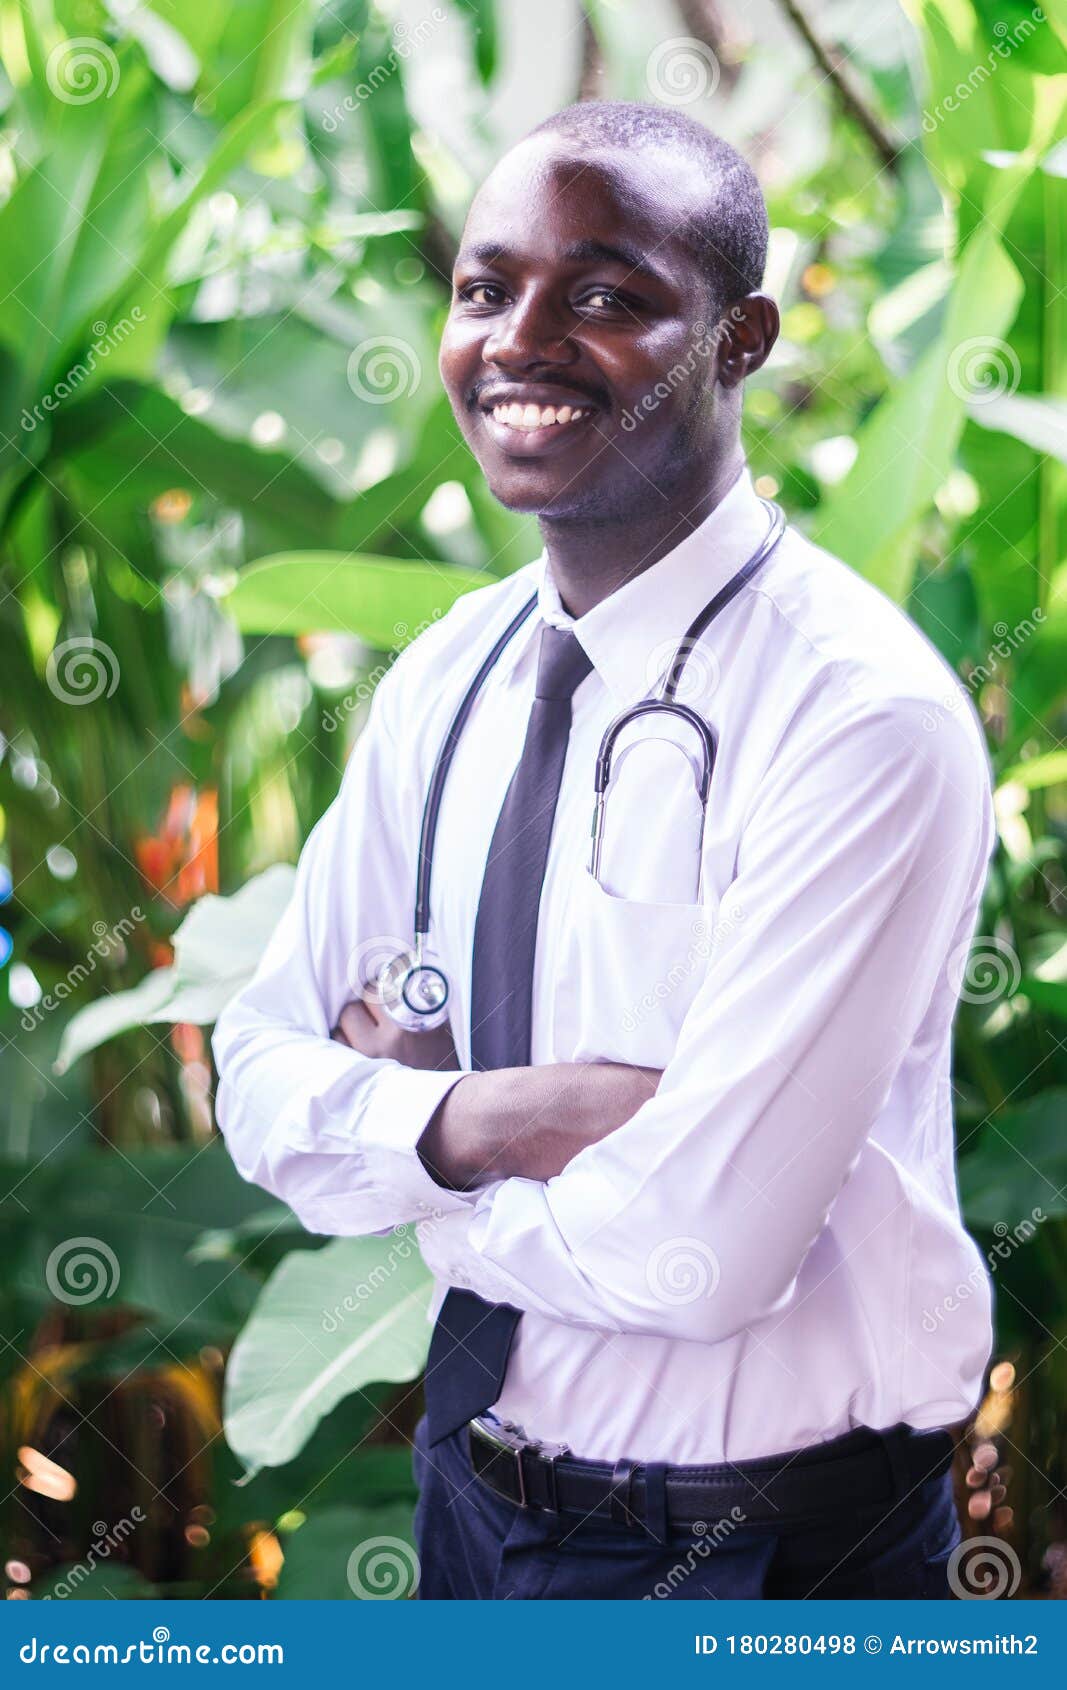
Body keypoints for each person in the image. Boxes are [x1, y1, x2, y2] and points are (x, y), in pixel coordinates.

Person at [211, 101, 997, 1600]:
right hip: (474, 1493)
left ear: (741, 338)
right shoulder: (450, 675)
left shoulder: (857, 717)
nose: (522, 339)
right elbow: (256, 1084)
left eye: (609, 296)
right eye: (486, 288)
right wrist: (511, 1118)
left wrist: (400, 1132)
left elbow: (700, 1252)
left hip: (761, 1549)